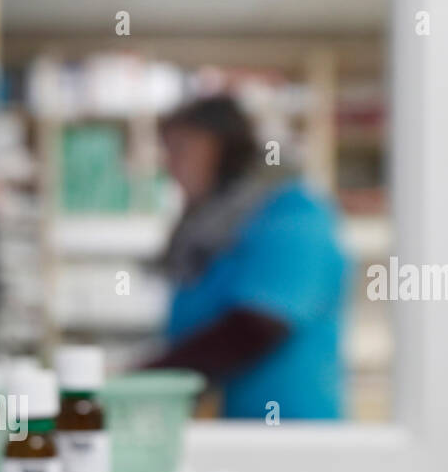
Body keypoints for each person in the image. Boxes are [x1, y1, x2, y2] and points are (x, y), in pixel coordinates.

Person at [147, 95, 348, 423]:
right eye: (166, 151)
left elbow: (255, 327)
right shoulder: (211, 230)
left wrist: (144, 380)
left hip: (294, 432)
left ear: (224, 149)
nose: (169, 165)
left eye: (181, 148)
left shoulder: (293, 214)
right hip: (237, 427)